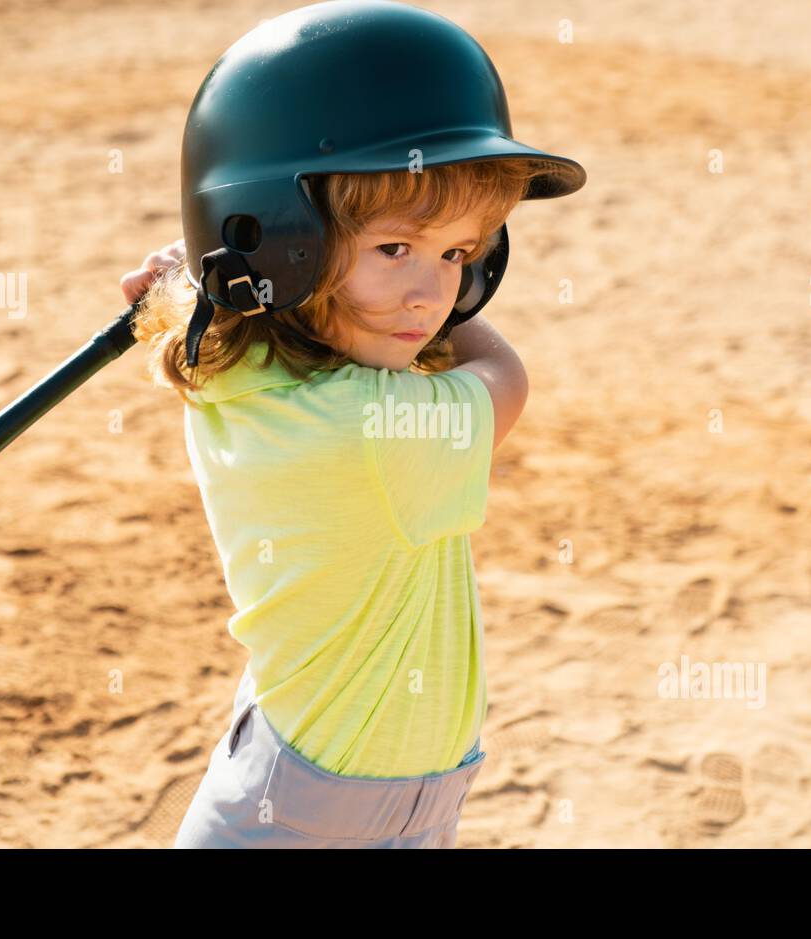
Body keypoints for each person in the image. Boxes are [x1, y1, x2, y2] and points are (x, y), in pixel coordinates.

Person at [120, 0, 586, 848]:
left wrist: (204, 278)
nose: (431, 295)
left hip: (329, 782)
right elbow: (506, 379)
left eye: (459, 255)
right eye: (396, 249)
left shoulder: (243, 363)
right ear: (286, 243)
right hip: (316, 819)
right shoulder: (371, 426)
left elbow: (231, 310)